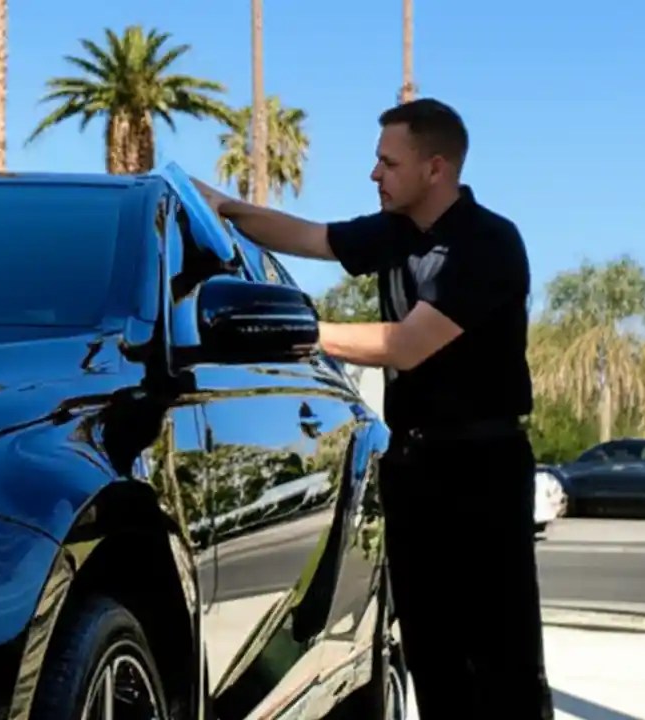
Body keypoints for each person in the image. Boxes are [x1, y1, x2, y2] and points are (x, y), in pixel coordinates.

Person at [191, 98, 554, 720]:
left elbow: (406, 346)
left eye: (388, 162)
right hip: (413, 463)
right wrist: (222, 206)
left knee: (500, 653)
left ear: (434, 168)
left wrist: (298, 329)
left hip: (482, 467)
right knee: (430, 650)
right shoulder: (394, 233)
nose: (374, 174)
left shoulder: (486, 243)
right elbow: (310, 237)